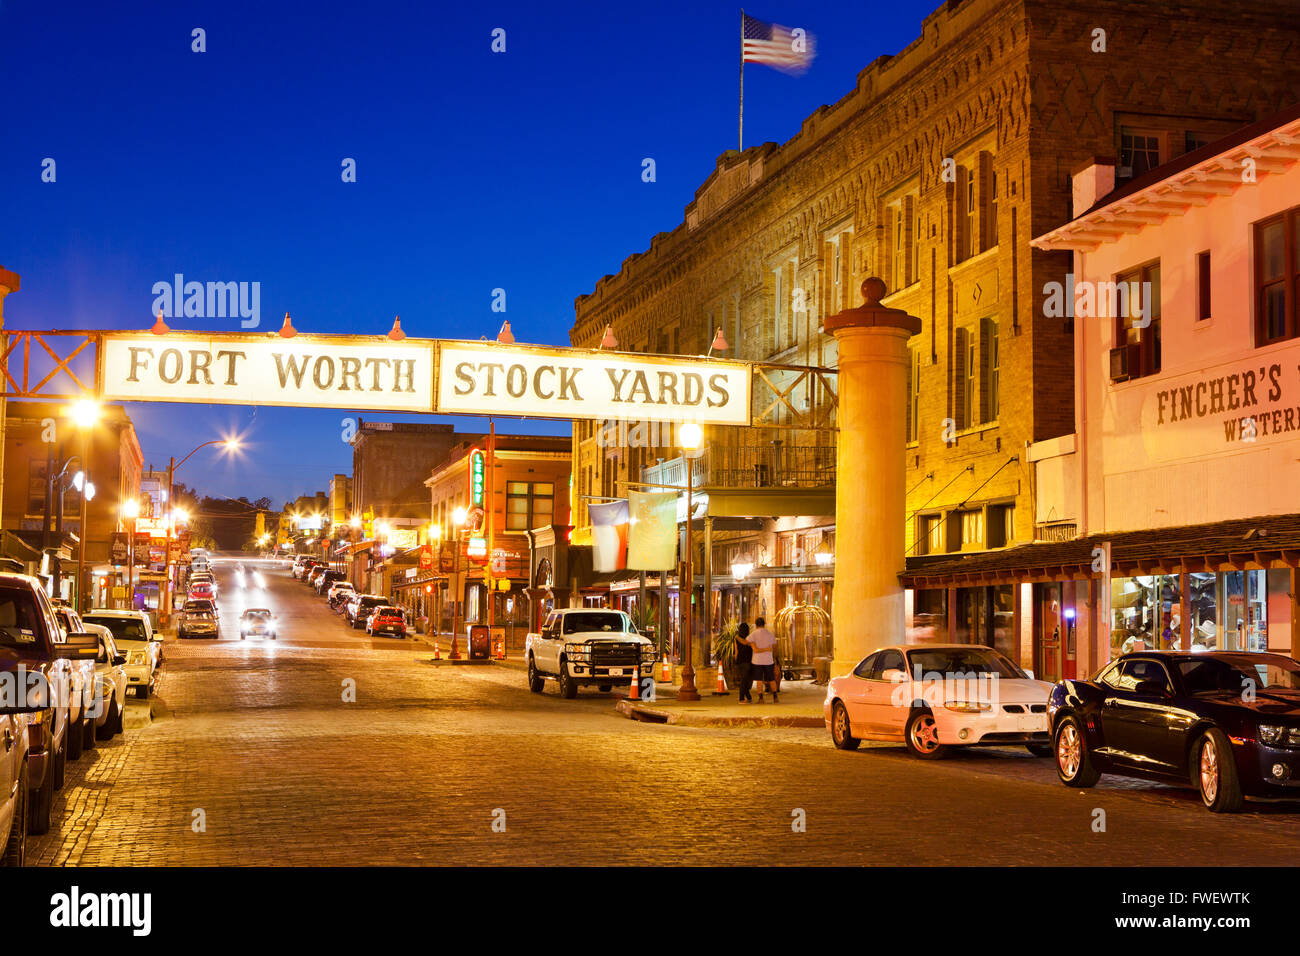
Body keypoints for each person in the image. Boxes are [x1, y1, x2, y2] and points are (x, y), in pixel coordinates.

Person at [747, 616, 779, 703]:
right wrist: (768, 650)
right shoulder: (770, 634)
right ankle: (775, 697)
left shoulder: (753, 634)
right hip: (768, 660)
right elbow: (774, 646)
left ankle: (761, 698)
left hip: (757, 661)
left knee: (759, 680)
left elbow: (750, 644)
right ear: (764, 624)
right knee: (771, 679)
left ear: (756, 625)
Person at [734, 622, 753, 703]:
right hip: (747, 661)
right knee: (744, 680)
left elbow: (736, 651)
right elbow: (750, 647)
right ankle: (741, 698)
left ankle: (749, 697)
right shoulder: (750, 638)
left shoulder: (736, 638)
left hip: (739, 661)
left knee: (744, 680)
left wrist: (735, 661)